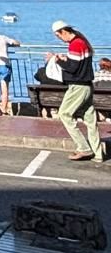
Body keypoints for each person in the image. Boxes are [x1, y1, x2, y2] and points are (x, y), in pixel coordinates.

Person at [39, 20, 105, 163]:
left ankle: (83, 148)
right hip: (87, 85)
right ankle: (98, 153)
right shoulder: (82, 42)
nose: (59, 39)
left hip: (78, 86)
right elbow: (77, 64)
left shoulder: (75, 44)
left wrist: (56, 60)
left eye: (58, 36)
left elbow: (72, 68)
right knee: (90, 120)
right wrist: (65, 59)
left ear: (63, 32)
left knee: (64, 114)